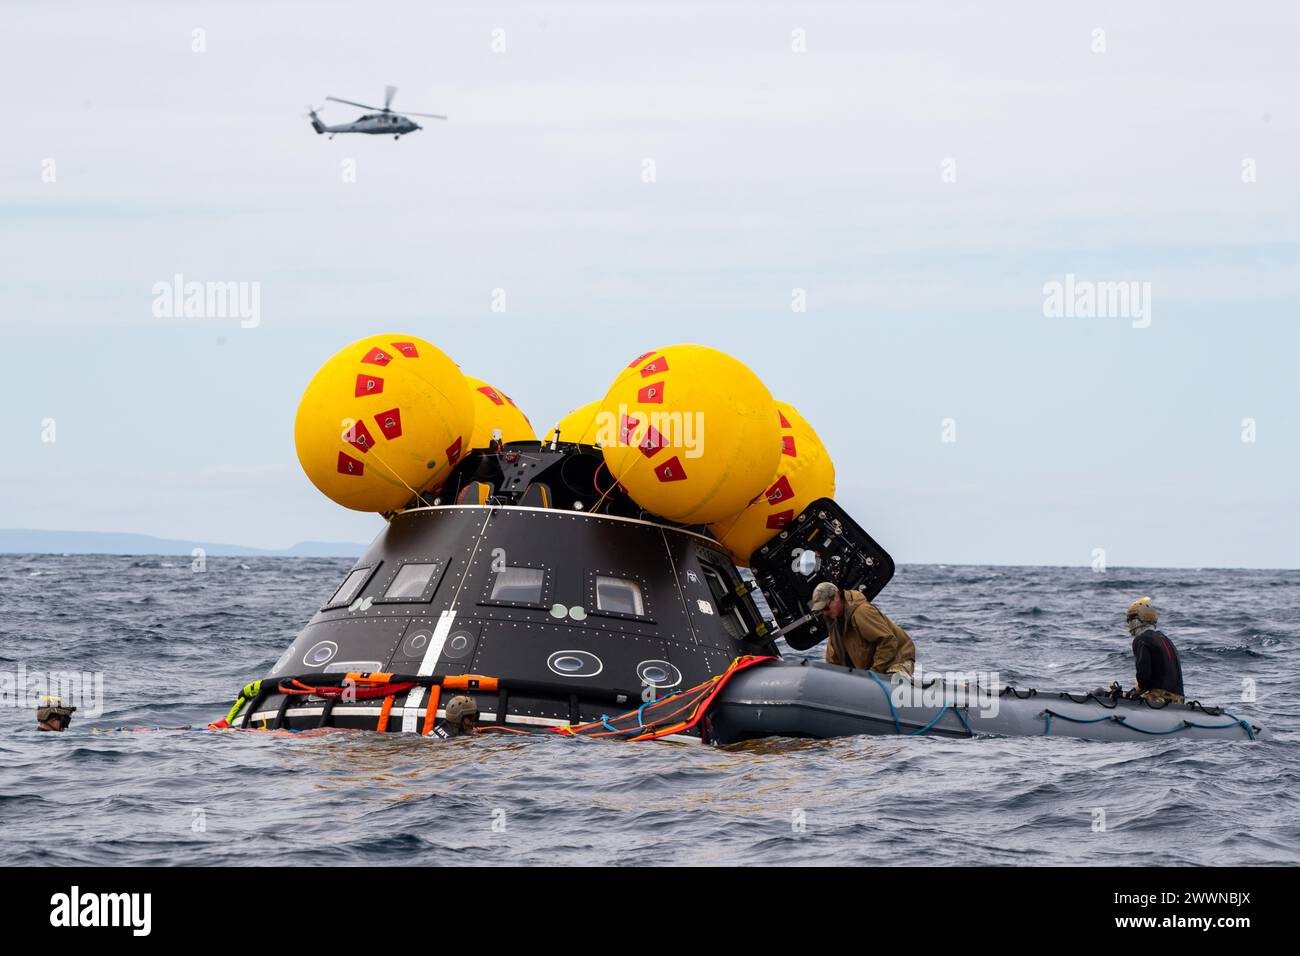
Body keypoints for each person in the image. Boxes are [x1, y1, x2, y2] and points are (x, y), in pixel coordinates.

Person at [809, 581, 916, 677]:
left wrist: (873, 673)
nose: (825, 613)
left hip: (897, 661)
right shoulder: (835, 624)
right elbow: (834, 658)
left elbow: (888, 641)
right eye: (821, 610)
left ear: (836, 596)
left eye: (826, 608)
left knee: (892, 682)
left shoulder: (861, 611)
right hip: (870, 668)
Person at [1125, 597, 1184, 703]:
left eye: (1130, 619)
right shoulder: (1166, 639)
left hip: (1159, 697)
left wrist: (1132, 694)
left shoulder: (1141, 639)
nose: (1128, 623)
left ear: (1140, 619)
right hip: (1179, 699)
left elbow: (1144, 677)